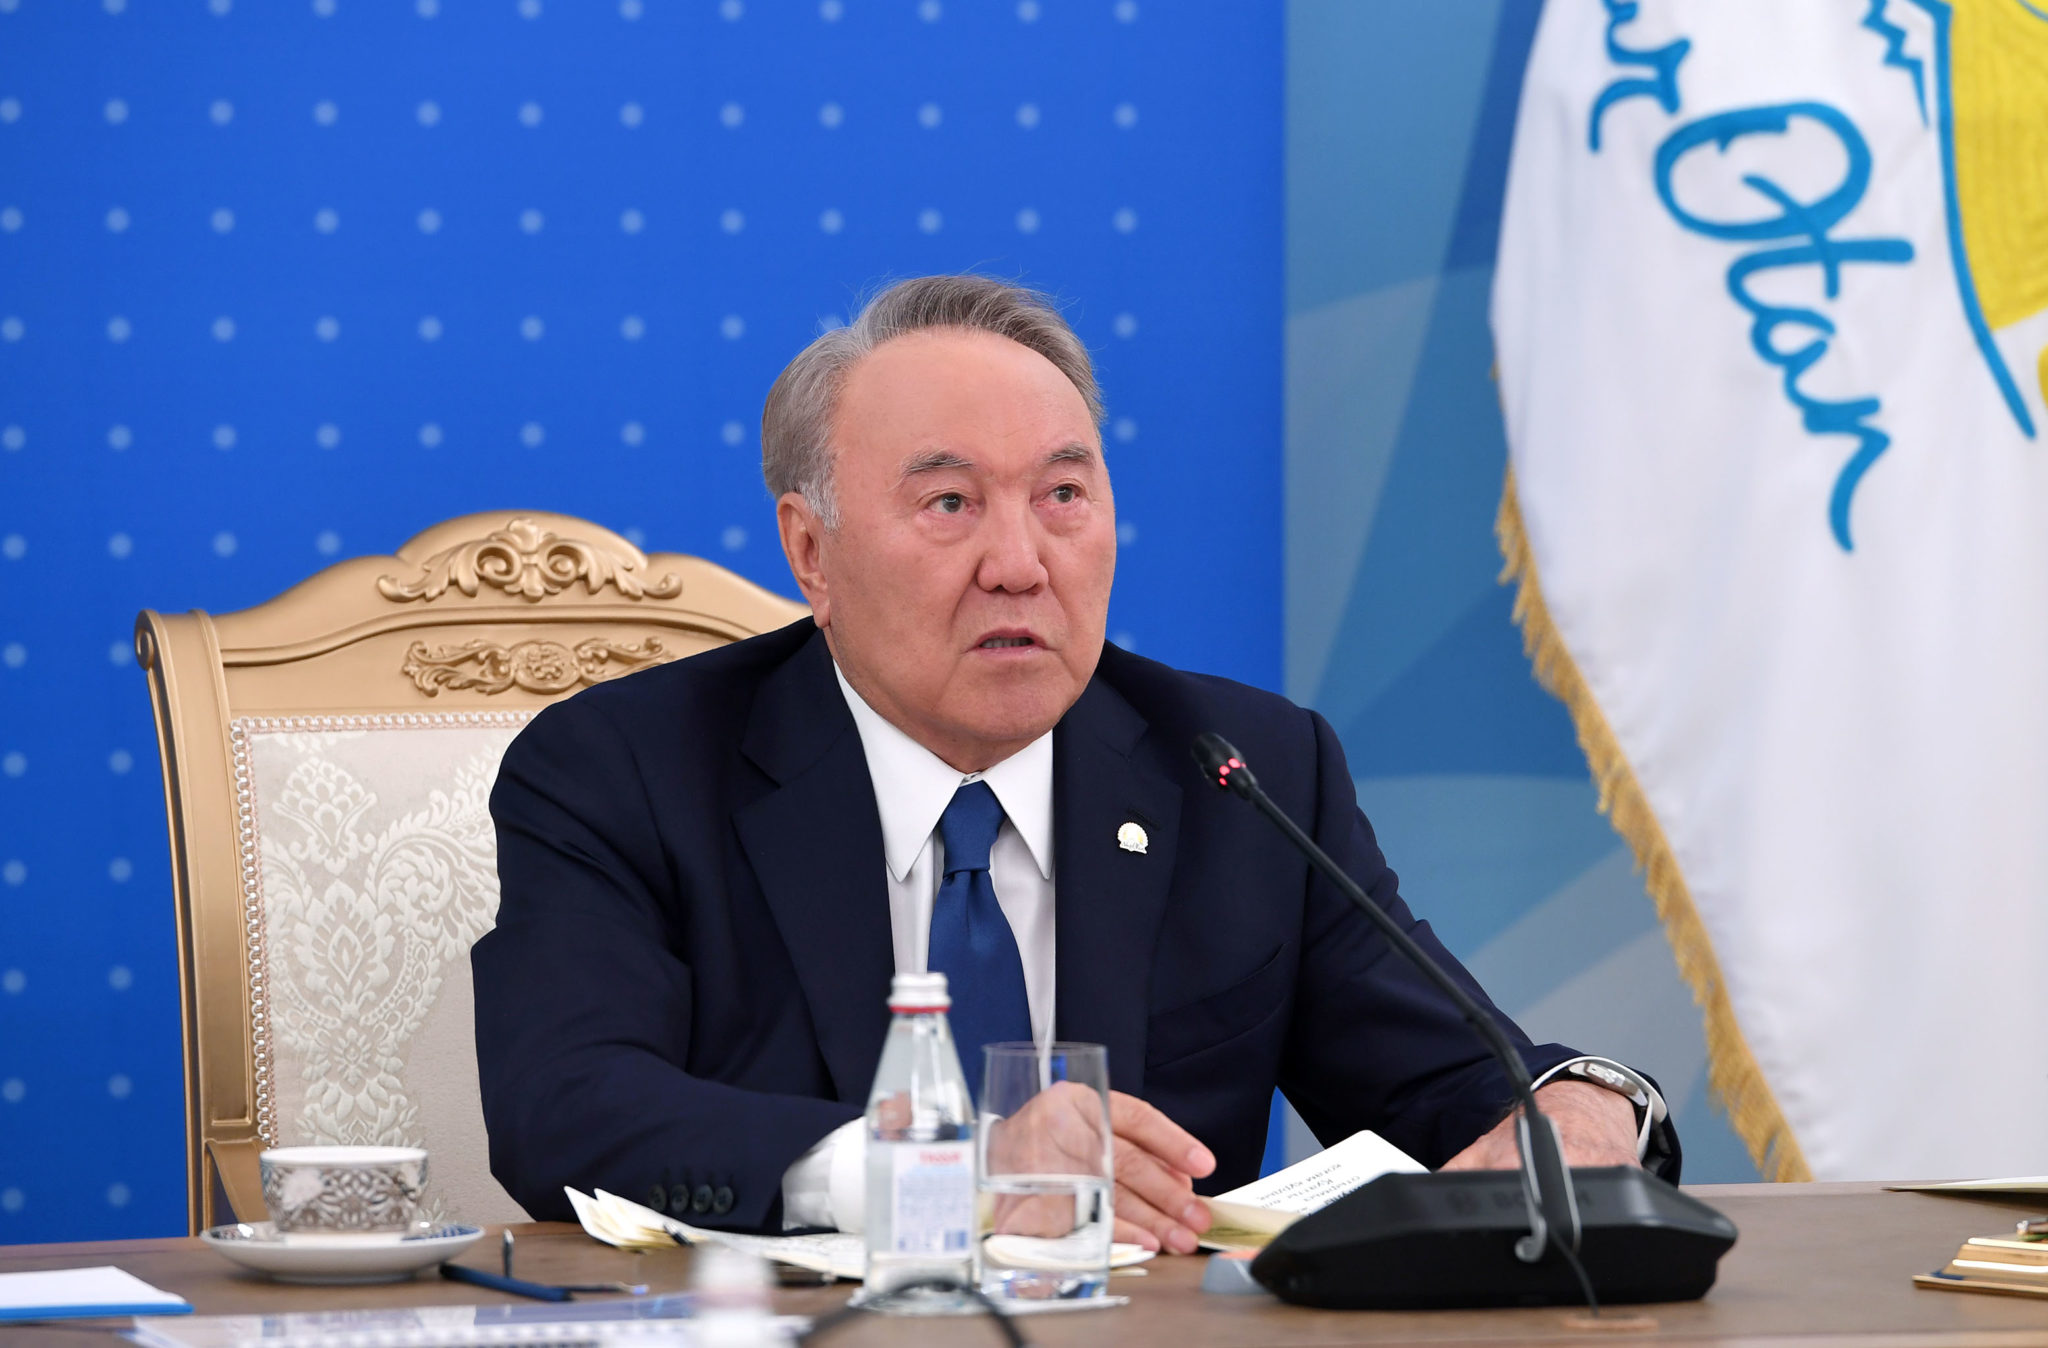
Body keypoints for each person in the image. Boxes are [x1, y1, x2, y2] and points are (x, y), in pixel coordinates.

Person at [473, 275, 1677, 1254]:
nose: (1020, 562)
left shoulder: (1241, 773)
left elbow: (1462, 1085)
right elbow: (564, 1108)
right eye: (949, 504)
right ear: (811, 553)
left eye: (1061, 493)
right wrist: (948, 1171)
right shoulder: (623, 772)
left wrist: (1580, 1106)